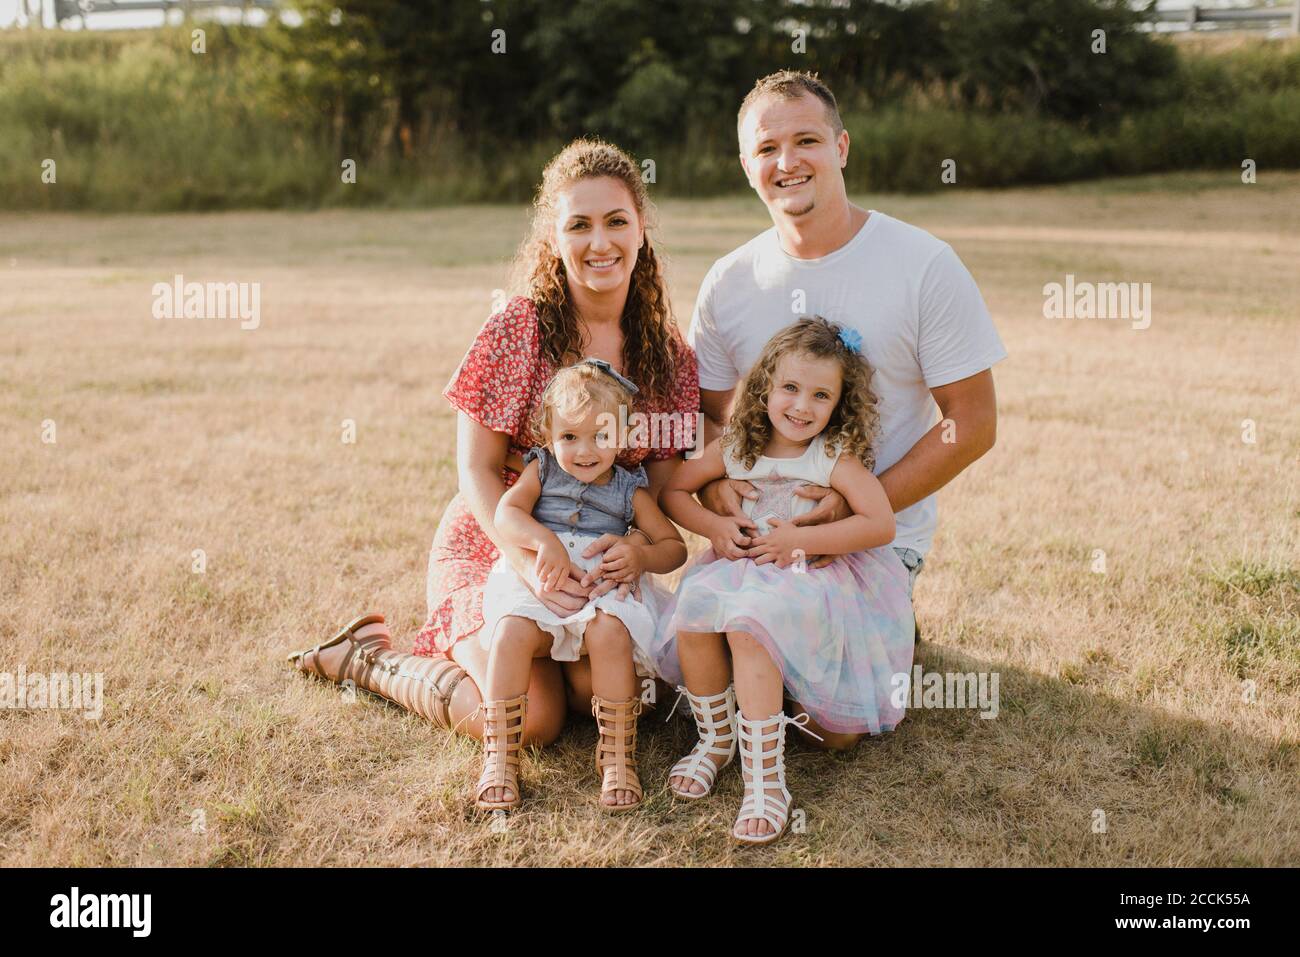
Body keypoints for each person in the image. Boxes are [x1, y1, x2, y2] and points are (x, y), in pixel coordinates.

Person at [288, 138, 699, 769]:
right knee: (529, 720)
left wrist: (643, 554)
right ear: (552, 240)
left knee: (610, 693)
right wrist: (524, 558)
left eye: (617, 222)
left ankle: (565, 668)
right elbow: (477, 468)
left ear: (642, 231)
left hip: (595, 563)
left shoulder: (666, 353)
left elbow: (662, 488)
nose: (600, 242)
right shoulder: (519, 327)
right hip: (500, 542)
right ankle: (368, 658)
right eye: (579, 225)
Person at [691, 70, 1007, 646]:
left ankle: (885, 620)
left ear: (841, 147)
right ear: (746, 167)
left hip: (877, 536)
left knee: (829, 728)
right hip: (759, 536)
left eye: (806, 140)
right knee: (703, 670)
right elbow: (706, 415)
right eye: (767, 148)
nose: (787, 161)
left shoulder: (923, 264)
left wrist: (853, 506)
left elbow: (973, 424)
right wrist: (714, 492)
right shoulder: (728, 282)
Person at [654, 317, 914, 845]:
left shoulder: (830, 457)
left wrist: (802, 542)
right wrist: (715, 526)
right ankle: (716, 739)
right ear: (765, 385)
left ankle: (766, 781)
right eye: (790, 388)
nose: (801, 406)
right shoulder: (736, 448)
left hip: (808, 579)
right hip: (740, 567)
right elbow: (676, 492)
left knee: (751, 627)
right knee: (694, 610)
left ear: (840, 404)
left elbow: (879, 522)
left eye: (821, 395)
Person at [475, 359, 686, 812]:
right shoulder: (542, 470)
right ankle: (499, 755)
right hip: (542, 579)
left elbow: (674, 547)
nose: (584, 450)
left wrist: (641, 555)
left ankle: (615, 755)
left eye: (601, 436)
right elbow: (506, 515)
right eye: (569, 436)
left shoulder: (631, 490)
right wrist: (542, 540)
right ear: (548, 435)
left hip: (600, 582)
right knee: (511, 632)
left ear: (624, 436)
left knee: (610, 633)